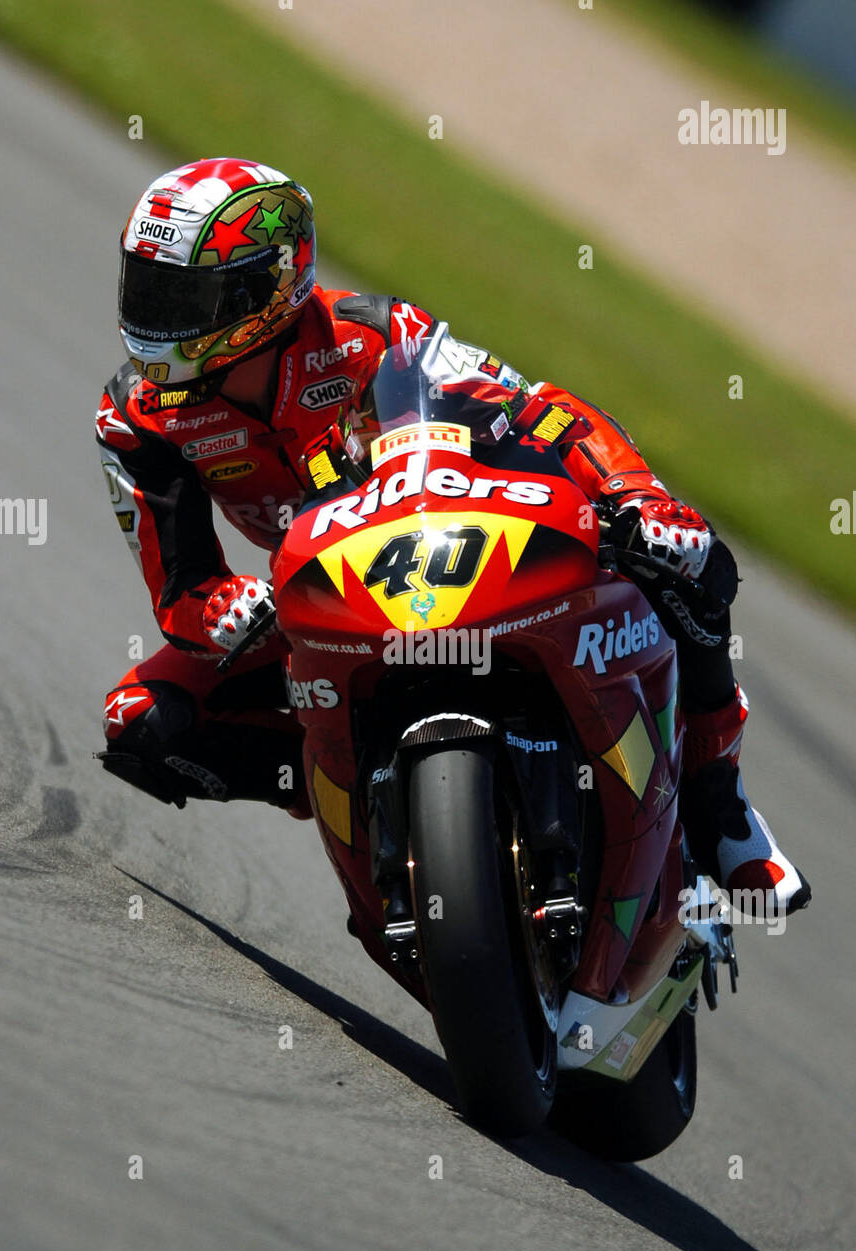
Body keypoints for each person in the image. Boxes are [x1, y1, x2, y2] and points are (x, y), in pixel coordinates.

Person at [97, 156, 810, 917]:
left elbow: (539, 410)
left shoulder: (374, 335)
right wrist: (224, 609)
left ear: (265, 290)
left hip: (450, 550)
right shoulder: (136, 416)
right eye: (147, 286)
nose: (156, 315)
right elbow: (181, 588)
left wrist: (636, 498)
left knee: (695, 562)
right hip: (318, 604)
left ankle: (719, 802)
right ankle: (359, 783)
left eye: (181, 294)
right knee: (139, 719)